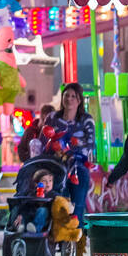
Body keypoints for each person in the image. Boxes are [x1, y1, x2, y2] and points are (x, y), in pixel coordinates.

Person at [44, 83, 95, 220]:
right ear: (62, 98)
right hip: (55, 169)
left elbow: (90, 145)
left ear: (79, 100)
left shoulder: (86, 120)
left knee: (77, 208)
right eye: (66, 95)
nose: (69, 99)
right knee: (58, 206)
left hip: (78, 169)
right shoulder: (52, 117)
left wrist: (69, 150)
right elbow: (44, 141)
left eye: (74, 96)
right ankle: (59, 239)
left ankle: (78, 238)